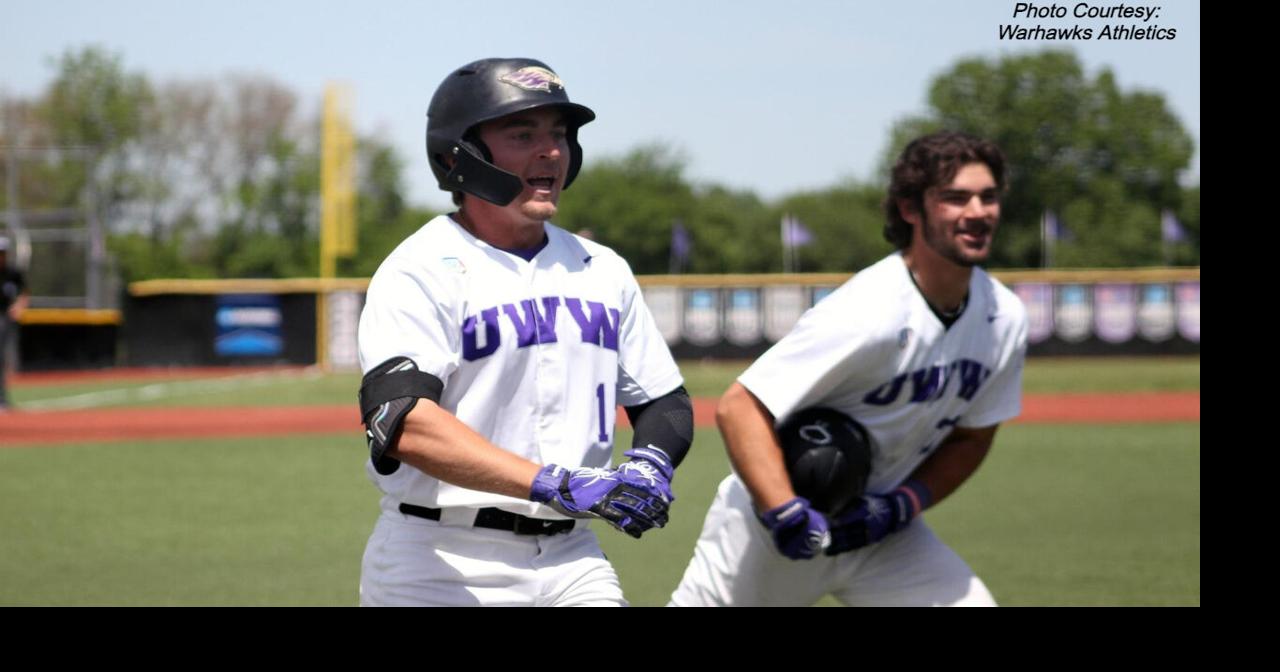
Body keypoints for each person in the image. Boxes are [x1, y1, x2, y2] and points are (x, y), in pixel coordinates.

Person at [356, 58, 693, 607]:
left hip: (572, 558)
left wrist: (651, 462)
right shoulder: (419, 268)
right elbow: (402, 422)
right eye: (523, 134)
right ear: (458, 156)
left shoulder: (601, 268)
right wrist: (552, 481)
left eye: (559, 134)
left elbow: (664, 400)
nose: (552, 151)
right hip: (439, 562)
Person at [669, 132, 1028, 607]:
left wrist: (903, 505)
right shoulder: (869, 311)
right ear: (910, 208)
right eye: (956, 198)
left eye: (988, 196)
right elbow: (740, 408)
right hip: (772, 528)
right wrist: (785, 511)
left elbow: (971, 439)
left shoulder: (1003, 316)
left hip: (882, 532)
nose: (978, 211)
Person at [1, 236, 29, 411]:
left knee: (1, 358)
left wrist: (18, 306)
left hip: (5, 318)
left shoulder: (12, 273)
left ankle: (2, 398)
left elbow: (24, 293)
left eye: (3, 253)